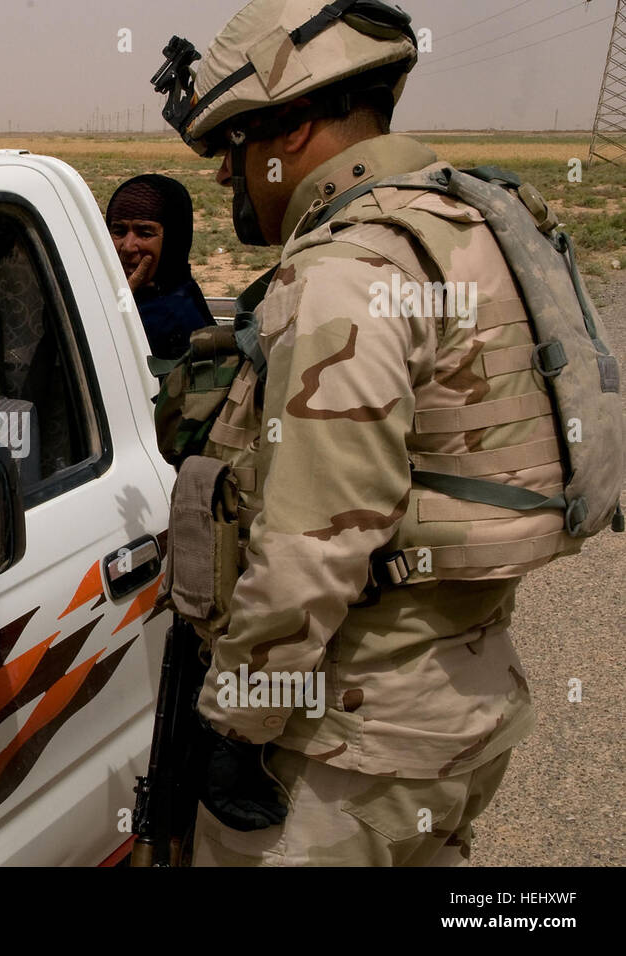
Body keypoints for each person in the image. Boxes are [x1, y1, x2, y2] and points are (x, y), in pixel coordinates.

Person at [162, 0, 552, 865]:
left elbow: (315, 545)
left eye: (234, 146)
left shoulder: (346, 271)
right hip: (461, 703)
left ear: (293, 126)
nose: (228, 176)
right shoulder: (476, 226)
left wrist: (236, 722)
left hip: (347, 744)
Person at [106, 174, 214, 359]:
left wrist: (120, 300)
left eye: (145, 233)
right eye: (119, 231)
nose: (128, 247)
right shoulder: (142, 295)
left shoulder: (171, 316)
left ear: (172, 242)